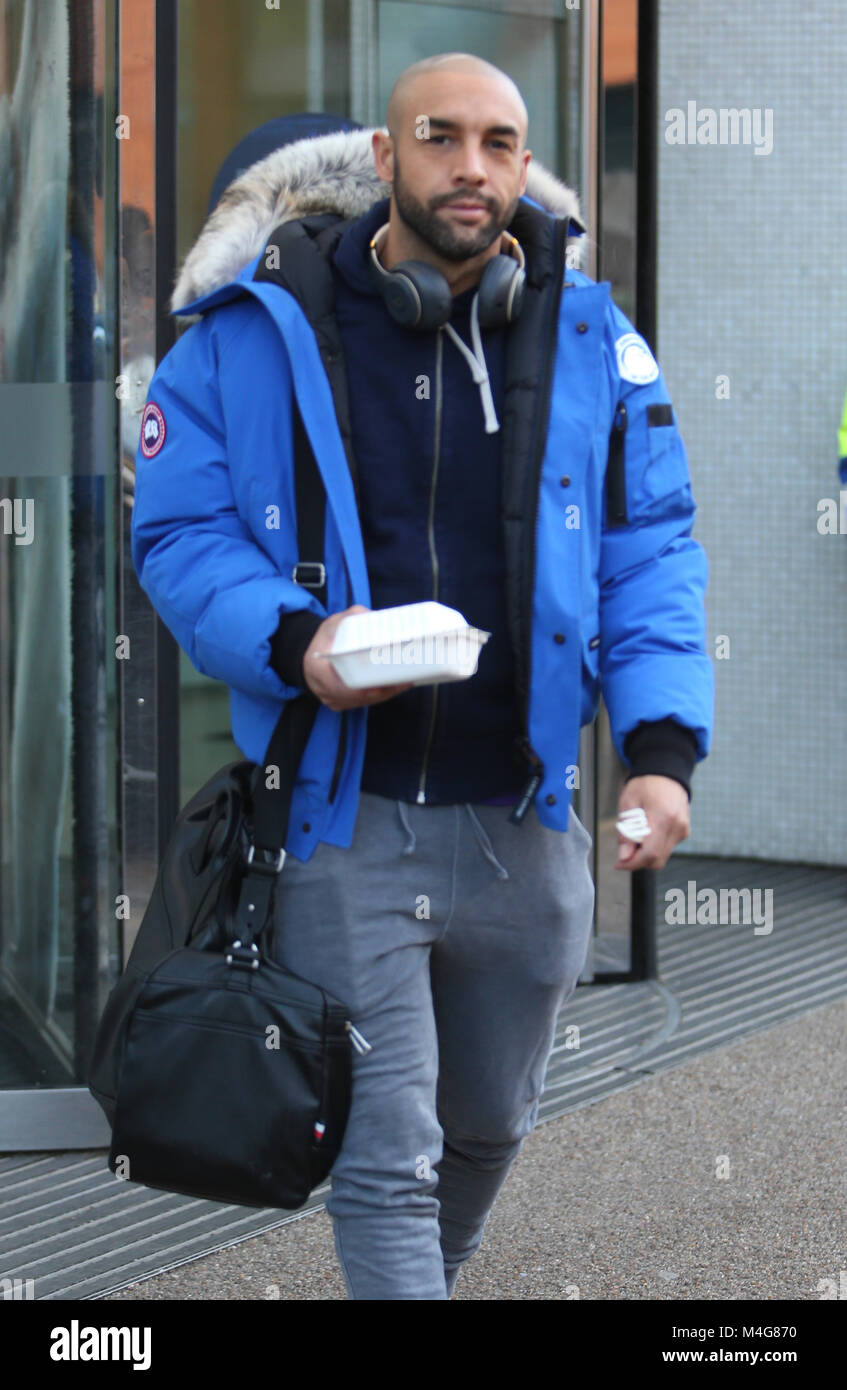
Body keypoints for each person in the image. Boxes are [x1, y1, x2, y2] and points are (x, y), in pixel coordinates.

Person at [131, 54, 714, 1299]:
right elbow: (178, 536)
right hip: (350, 823)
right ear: (382, 159)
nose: (471, 166)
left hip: (526, 813)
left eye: (498, 142)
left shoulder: (592, 339)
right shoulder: (250, 331)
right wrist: (299, 641)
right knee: (386, 1157)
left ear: (520, 165)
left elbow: (650, 548)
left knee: (489, 1126)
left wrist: (661, 749)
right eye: (439, 138)